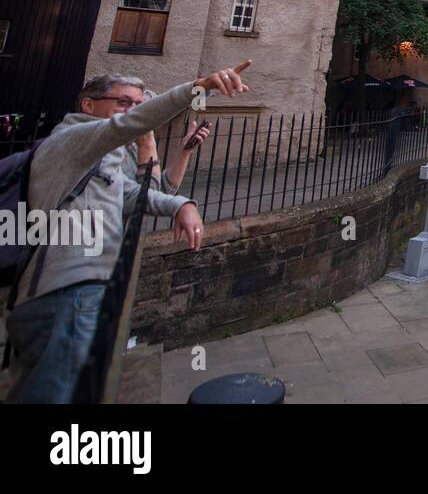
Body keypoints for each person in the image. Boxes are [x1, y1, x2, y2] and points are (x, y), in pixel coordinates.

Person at [5, 61, 251, 403]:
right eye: (124, 102)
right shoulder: (71, 139)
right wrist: (200, 87)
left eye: (139, 102)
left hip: (86, 291)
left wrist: (181, 203)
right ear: (88, 104)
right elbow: (132, 129)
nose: (133, 110)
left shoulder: (103, 158)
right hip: (69, 293)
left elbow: (139, 194)